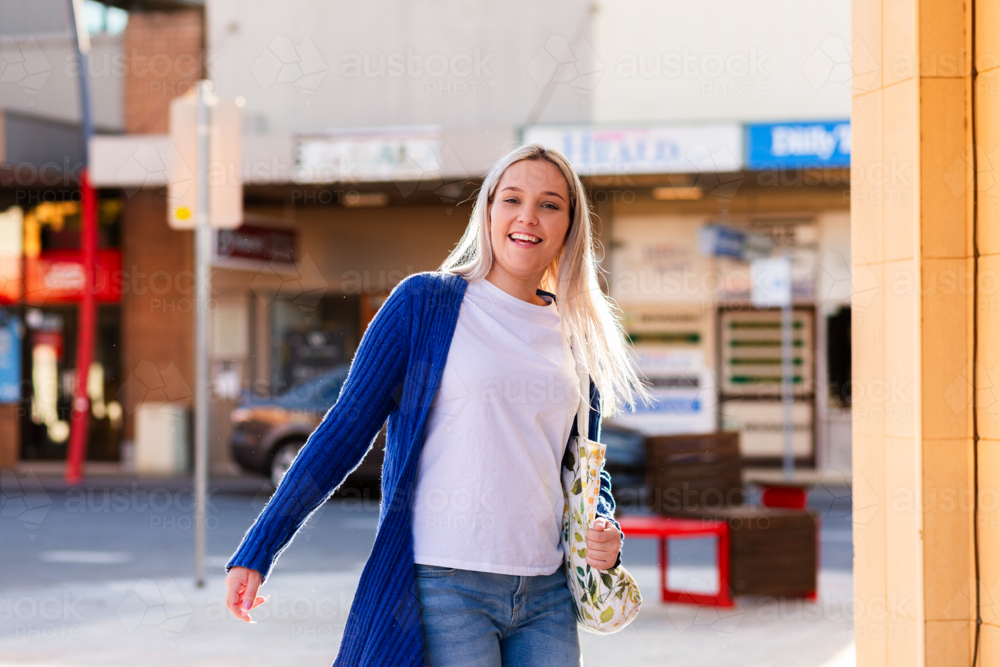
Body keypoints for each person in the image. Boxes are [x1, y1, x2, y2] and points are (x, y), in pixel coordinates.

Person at [224, 143, 647, 667]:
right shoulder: (425, 304)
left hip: (547, 591)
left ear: (569, 224)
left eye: (550, 204)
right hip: (447, 584)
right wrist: (260, 547)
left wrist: (603, 526)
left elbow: (583, 466)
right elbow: (344, 432)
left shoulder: (577, 331)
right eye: (511, 198)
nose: (528, 217)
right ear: (488, 209)